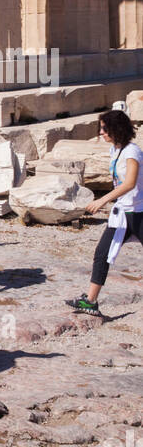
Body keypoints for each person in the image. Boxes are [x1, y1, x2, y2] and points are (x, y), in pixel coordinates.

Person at [68, 109, 143, 315]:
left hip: (138, 213)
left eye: (104, 128)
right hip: (122, 214)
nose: (101, 132)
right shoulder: (115, 150)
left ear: (115, 129)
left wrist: (102, 200)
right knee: (102, 254)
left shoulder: (132, 152)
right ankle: (91, 301)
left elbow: (129, 183)